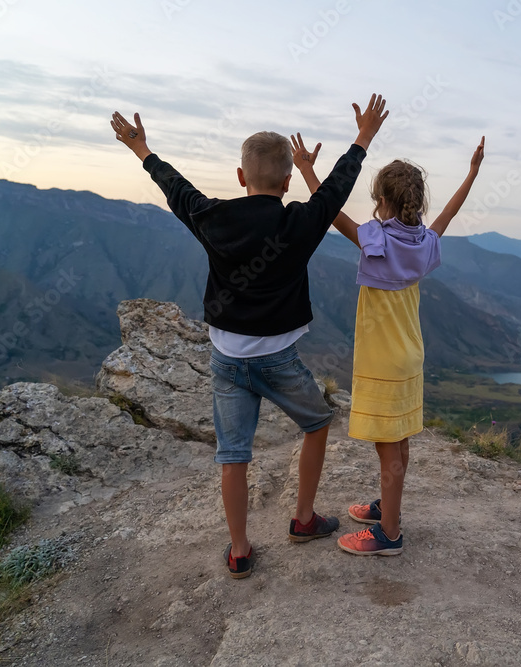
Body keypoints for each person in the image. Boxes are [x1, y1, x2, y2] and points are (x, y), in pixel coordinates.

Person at [109, 95, 390, 578]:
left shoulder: (214, 218)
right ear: (286, 182)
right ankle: (304, 519)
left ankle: (239, 549)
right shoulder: (299, 221)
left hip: (224, 359)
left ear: (241, 178)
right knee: (318, 423)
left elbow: (177, 190)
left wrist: (142, 150)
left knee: (233, 454)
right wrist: (363, 137)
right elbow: (336, 190)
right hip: (279, 360)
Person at [290, 132, 485, 555]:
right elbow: (448, 215)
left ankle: (389, 534)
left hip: (383, 364)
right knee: (399, 442)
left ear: (385, 203)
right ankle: (386, 509)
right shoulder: (424, 244)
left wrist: (307, 169)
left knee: (388, 448)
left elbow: (330, 214)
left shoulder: (376, 240)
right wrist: (471, 174)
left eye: (377, 200)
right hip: (409, 357)